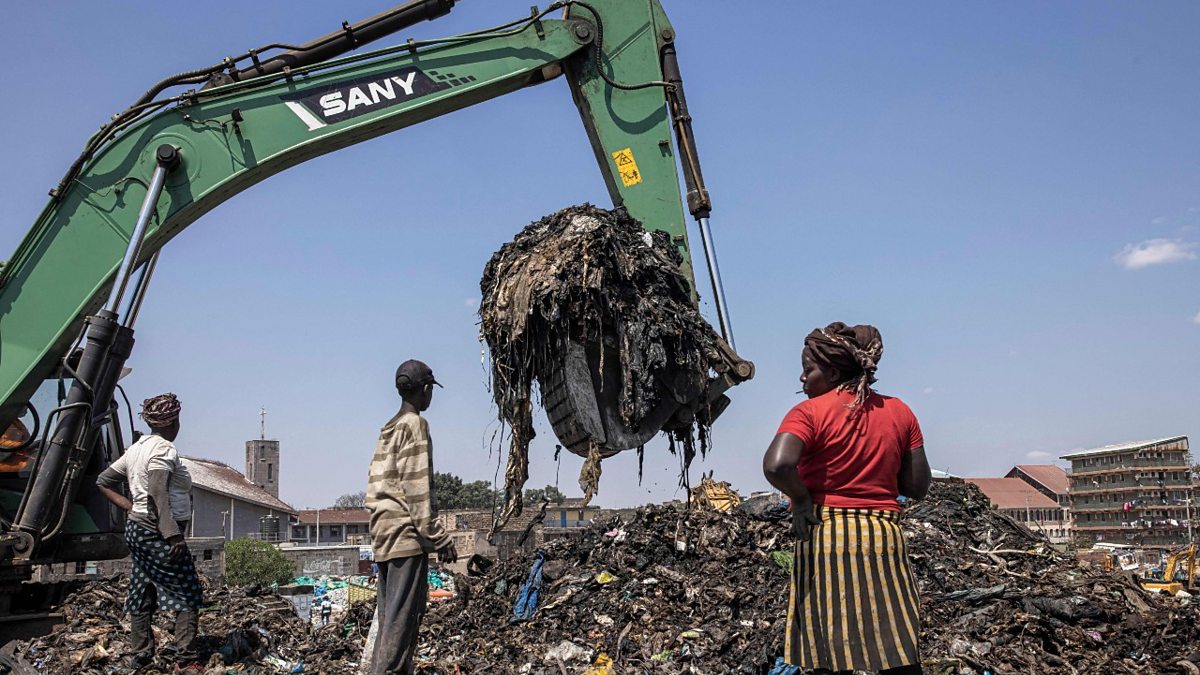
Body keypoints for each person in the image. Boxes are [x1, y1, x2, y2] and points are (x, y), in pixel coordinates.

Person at [762, 323, 931, 675]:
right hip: (882, 538)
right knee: (897, 649)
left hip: (827, 535)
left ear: (833, 372)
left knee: (829, 654)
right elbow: (916, 486)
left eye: (808, 370)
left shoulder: (809, 413)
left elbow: (777, 465)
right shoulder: (900, 412)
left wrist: (802, 500)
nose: (802, 378)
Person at [96, 393, 203, 669]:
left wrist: (130, 507)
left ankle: (141, 654)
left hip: (137, 529)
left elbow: (104, 481)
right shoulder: (163, 449)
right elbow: (157, 492)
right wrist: (172, 533)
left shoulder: (137, 448)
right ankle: (186, 661)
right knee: (187, 592)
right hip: (157, 531)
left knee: (143, 589)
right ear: (173, 422)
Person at [367, 359, 458, 675]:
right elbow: (416, 489)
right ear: (426, 389)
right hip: (405, 536)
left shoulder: (387, 429)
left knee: (391, 621)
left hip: (383, 535)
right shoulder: (414, 425)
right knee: (401, 627)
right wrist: (439, 537)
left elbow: (383, 487)